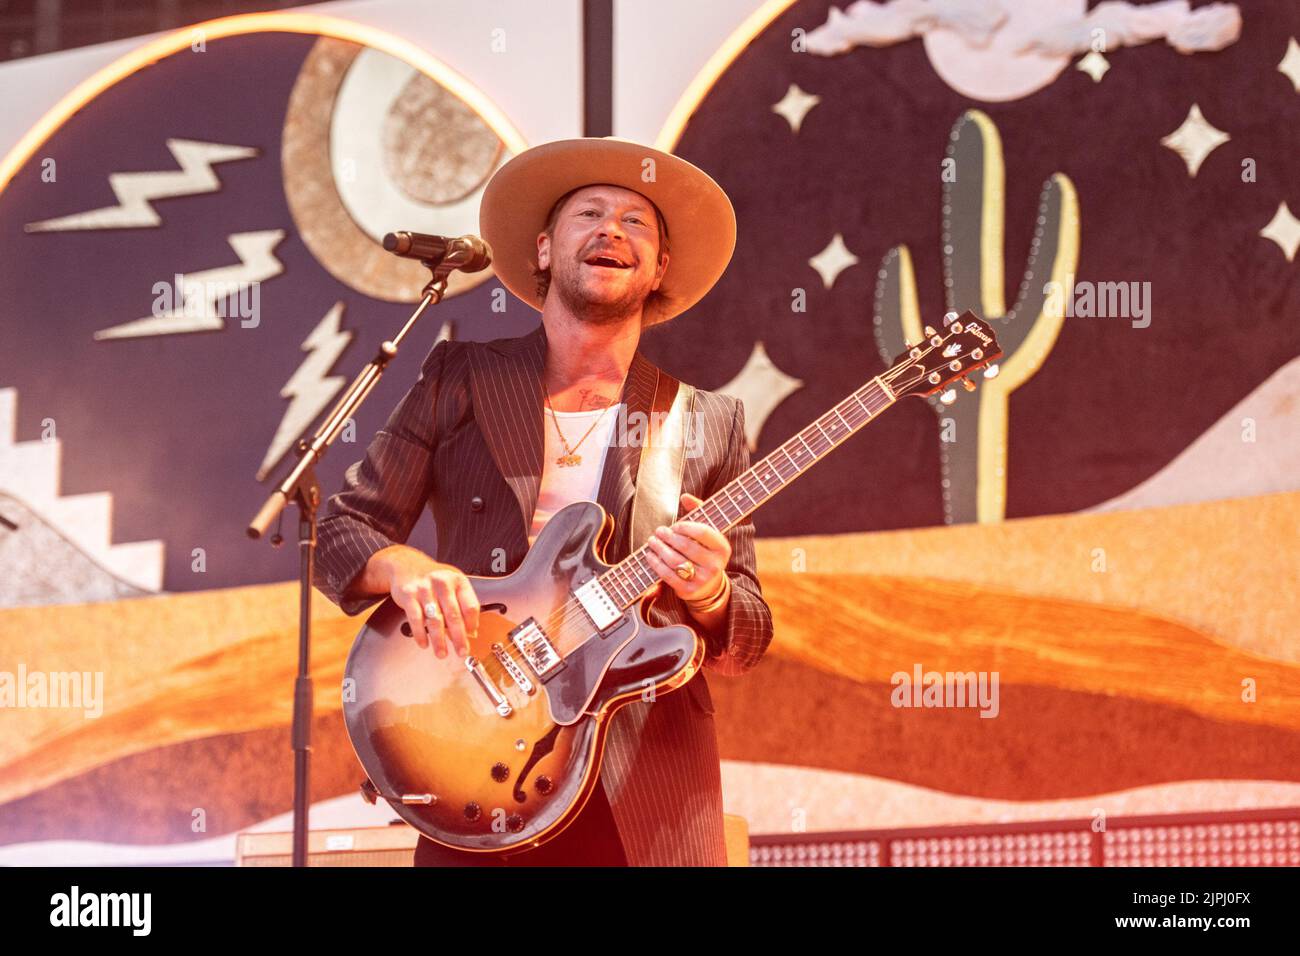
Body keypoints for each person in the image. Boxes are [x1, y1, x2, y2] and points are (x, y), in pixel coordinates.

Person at [313, 137, 774, 866]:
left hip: (644, 784)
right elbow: (343, 530)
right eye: (589, 212)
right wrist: (402, 566)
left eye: (637, 223)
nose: (612, 230)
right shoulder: (459, 376)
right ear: (541, 251)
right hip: (470, 749)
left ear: (659, 269)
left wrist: (711, 591)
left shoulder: (707, 420)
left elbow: (745, 637)